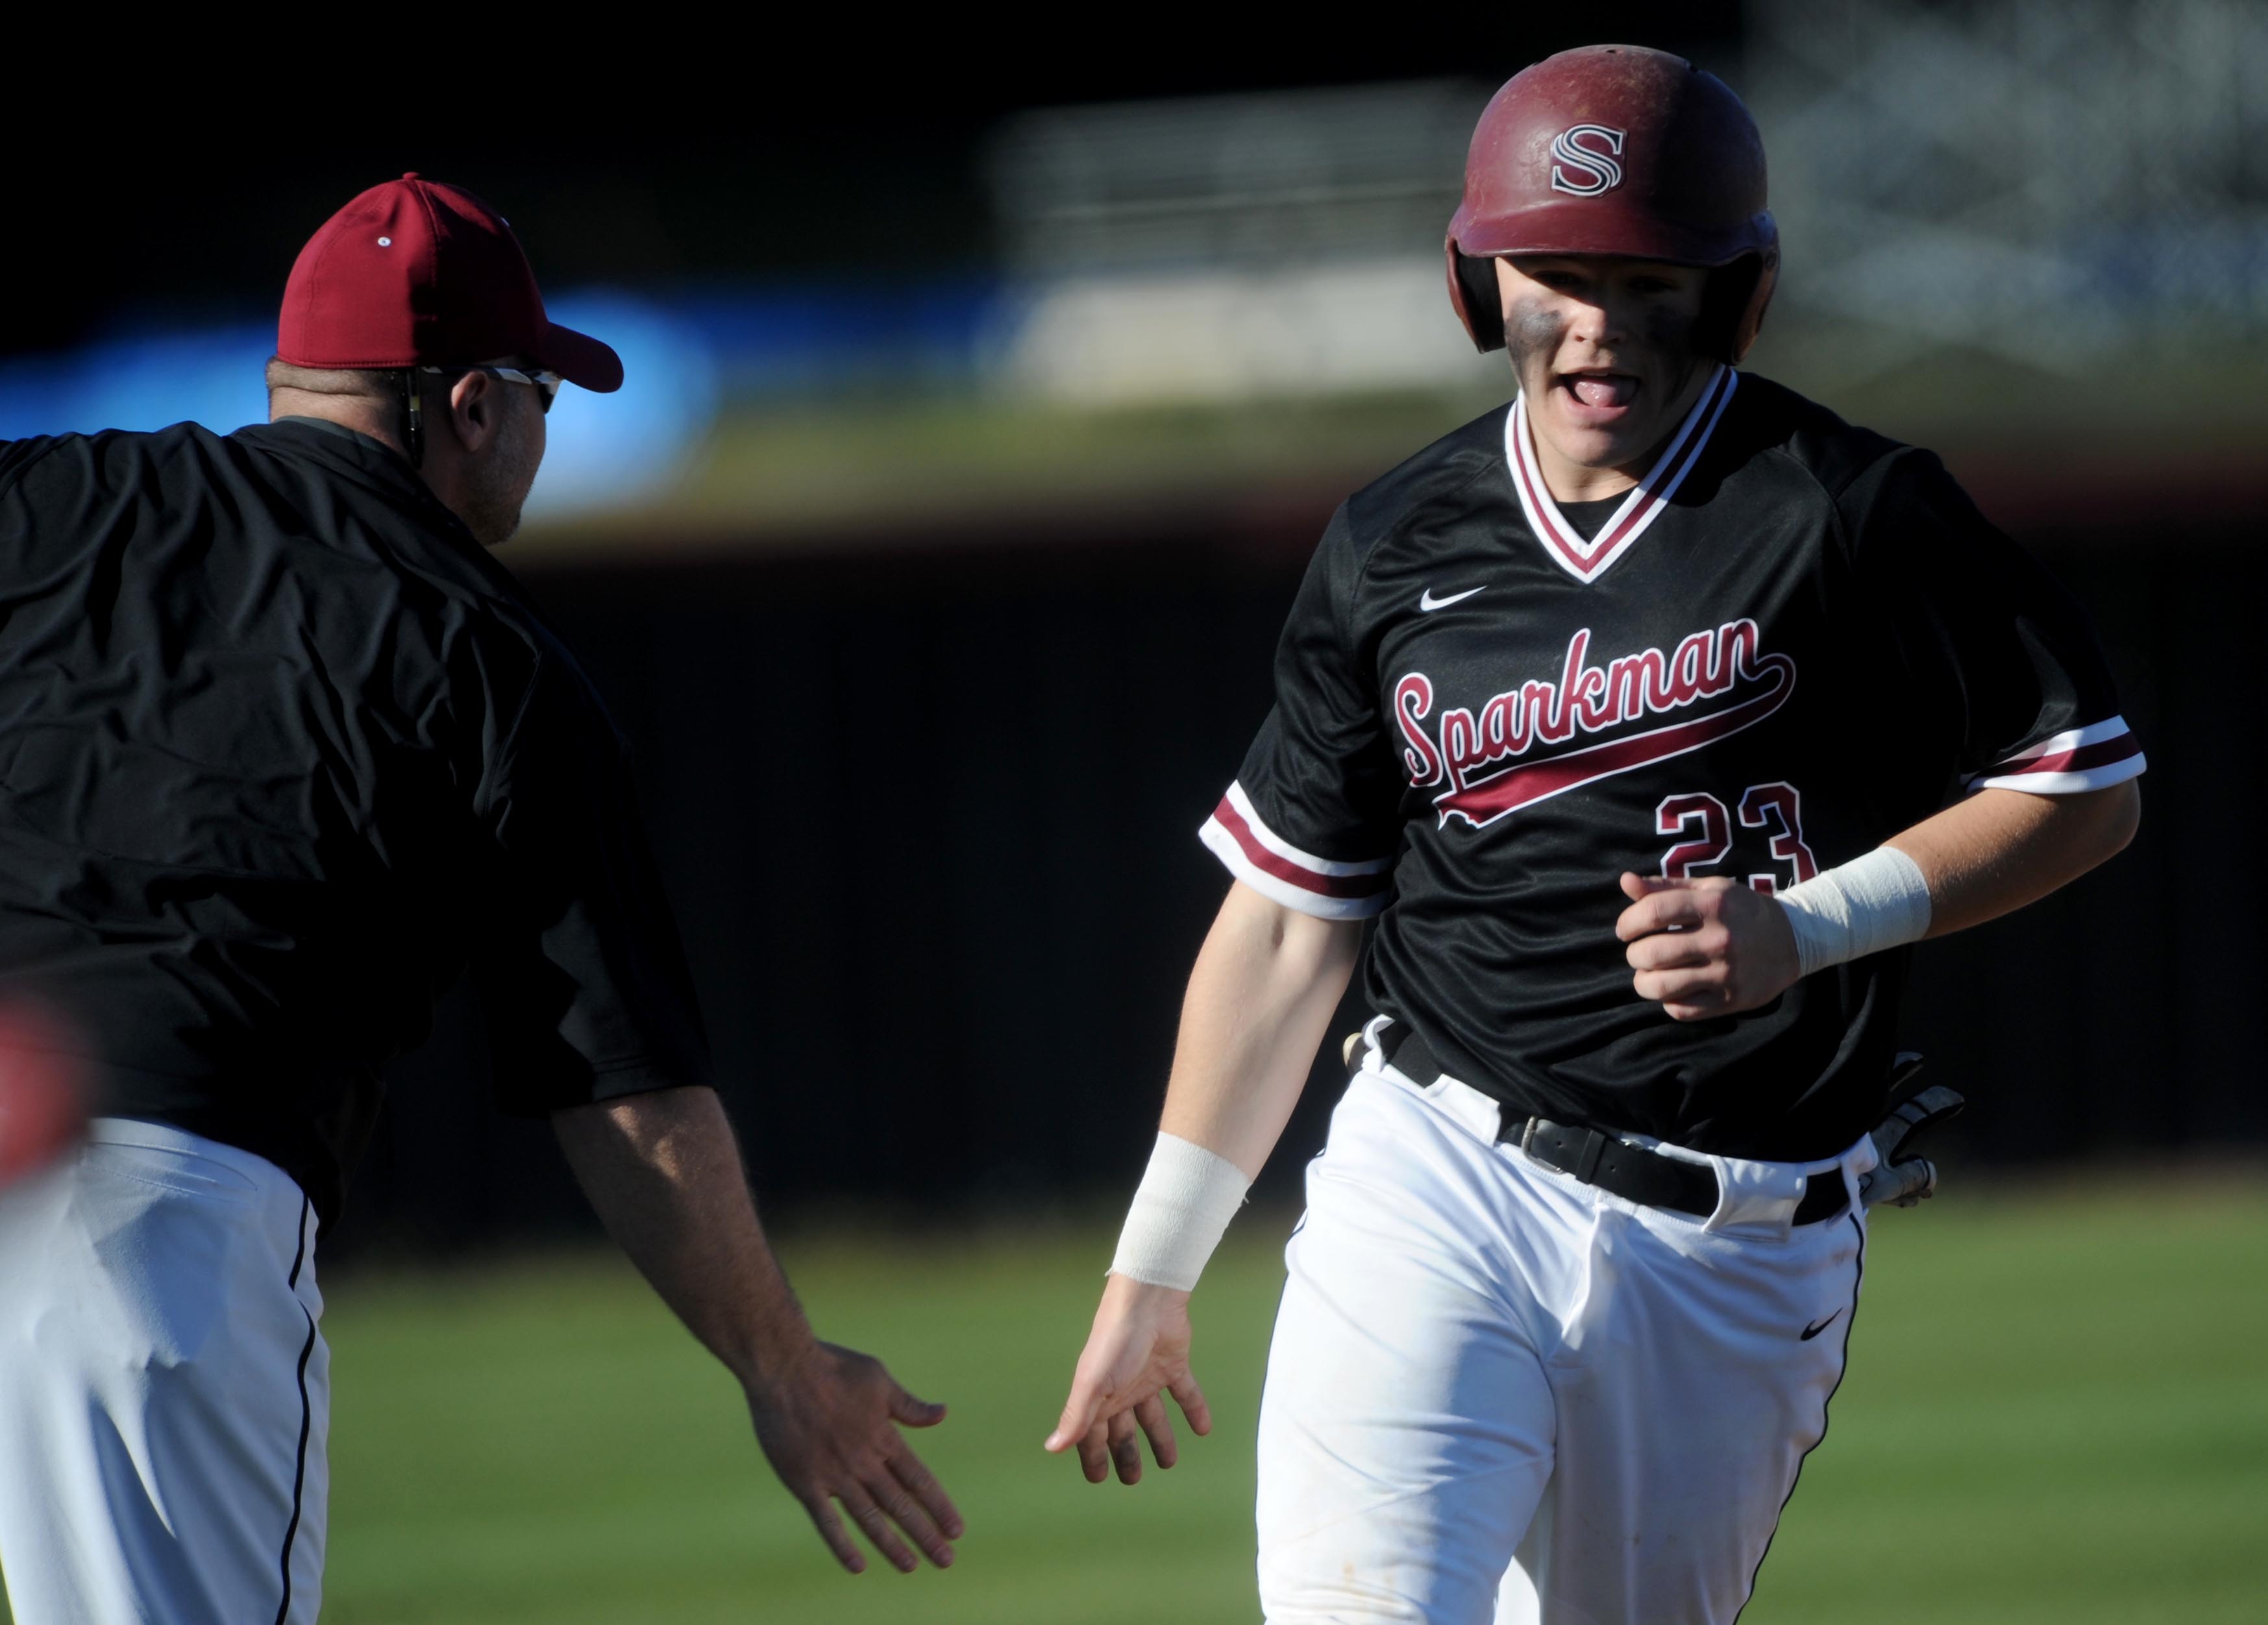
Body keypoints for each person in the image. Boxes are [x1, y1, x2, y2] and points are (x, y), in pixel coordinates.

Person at [1046, 45, 2143, 1625]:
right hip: (1438, 1169)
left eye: (1651, 280)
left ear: (1739, 292)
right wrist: (1152, 1268)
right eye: (1556, 275)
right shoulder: (1395, 540)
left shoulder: (1845, 509)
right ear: (1474, 281)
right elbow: (1288, 918)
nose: (1598, 324)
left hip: (1738, 1241)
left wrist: (1807, 927)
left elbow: (2084, 790)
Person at [0, 175, 960, 1623]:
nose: (543, 429)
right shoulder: (491, 656)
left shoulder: (54, 495)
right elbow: (626, 1091)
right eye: (540, 393)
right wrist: (783, 1368)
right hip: (149, 1225)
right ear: (468, 406)